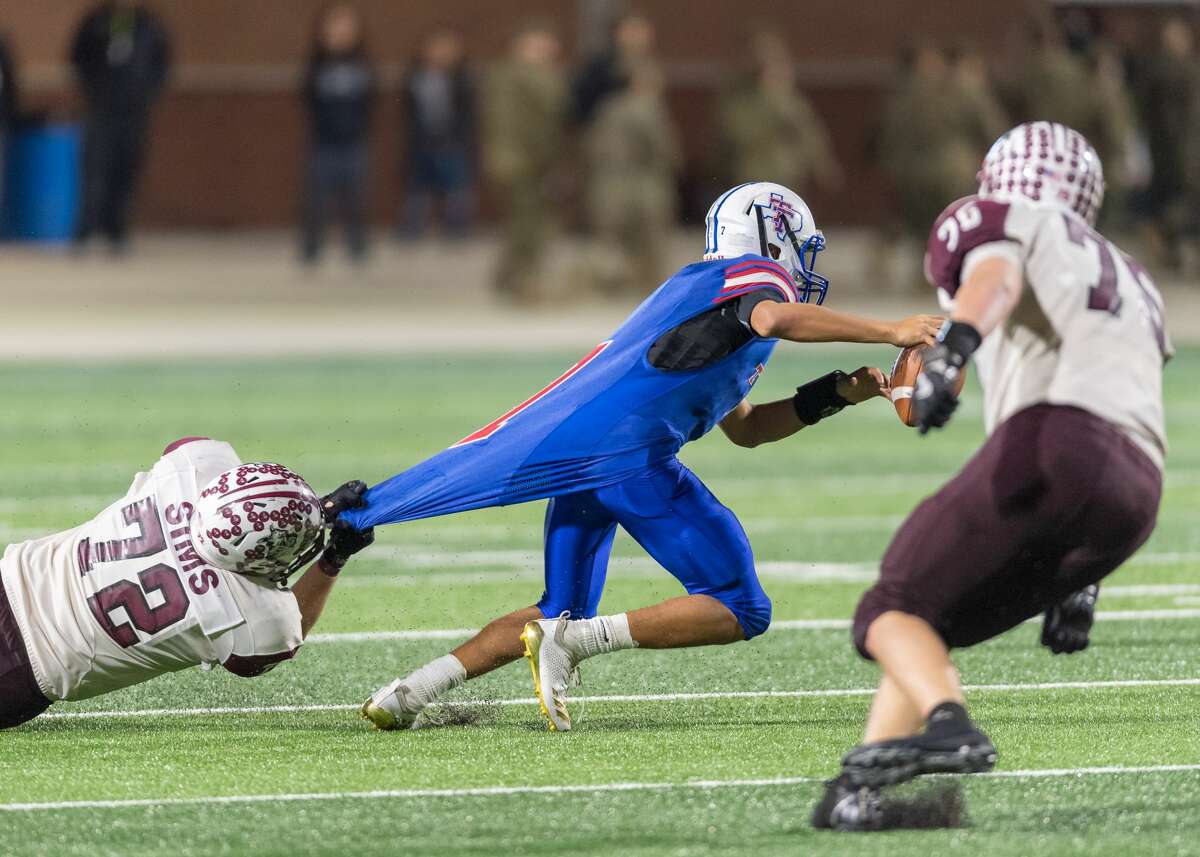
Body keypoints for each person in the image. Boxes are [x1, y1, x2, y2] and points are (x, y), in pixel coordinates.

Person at [348, 182, 942, 732]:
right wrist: (890, 330)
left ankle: (410, 693)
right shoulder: (756, 284)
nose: (805, 265)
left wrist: (840, 392)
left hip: (584, 458)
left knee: (561, 605)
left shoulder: (706, 299)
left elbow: (749, 429)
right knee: (740, 607)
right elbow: (776, 315)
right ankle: (574, 642)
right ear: (773, 235)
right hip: (628, 460)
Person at [812, 122, 1169, 831]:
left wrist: (954, 351)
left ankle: (948, 724)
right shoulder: (1132, 273)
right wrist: (1079, 575)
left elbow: (995, 276)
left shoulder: (1011, 218)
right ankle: (860, 791)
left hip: (1058, 443)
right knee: (927, 620)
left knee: (890, 605)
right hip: (1138, 492)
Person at [0, 437, 374, 728]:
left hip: (10, 579)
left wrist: (308, 509)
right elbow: (265, 655)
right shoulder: (257, 619)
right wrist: (331, 558)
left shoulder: (193, 473)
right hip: (26, 670)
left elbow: (185, 446)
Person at [70, 0, 171, 253]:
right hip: (101, 105)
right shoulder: (96, 22)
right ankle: (88, 227)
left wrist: (146, 93)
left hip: (133, 109)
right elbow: (78, 57)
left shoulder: (149, 25)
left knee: (127, 167)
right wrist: (92, 90)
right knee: (95, 168)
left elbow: (162, 63)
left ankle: (117, 229)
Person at [483, 22, 567, 301]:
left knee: (523, 222)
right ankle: (521, 281)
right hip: (521, 161)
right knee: (528, 224)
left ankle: (508, 278)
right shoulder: (523, 75)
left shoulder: (504, 74)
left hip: (522, 160)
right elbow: (555, 104)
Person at [584, 61, 680, 294]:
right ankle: (649, 285)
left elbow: (591, 145)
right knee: (649, 236)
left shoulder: (608, 108)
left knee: (613, 237)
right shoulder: (647, 108)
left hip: (608, 181)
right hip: (641, 182)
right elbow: (663, 148)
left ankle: (610, 281)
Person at [716, 29, 842, 196]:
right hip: (753, 177)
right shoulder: (738, 99)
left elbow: (807, 131)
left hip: (788, 176)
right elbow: (738, 133)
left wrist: (822, 166)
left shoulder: (789, 97)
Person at [300, 4, 376, 265]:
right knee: (316, 198)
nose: (341, 32)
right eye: (335, 26)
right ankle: (311, 249)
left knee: (356, 196)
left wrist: (361, 128)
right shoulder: (316, 62)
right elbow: (307, 97)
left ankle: (357, 248)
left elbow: (370, 101)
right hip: (323, 141)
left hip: (354, 140)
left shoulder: (362, 62)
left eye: (346, 26)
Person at [399, 27, 476, 239]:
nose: (440, 53)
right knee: (417, 190)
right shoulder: (416, 77)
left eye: (446, 49)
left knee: (457, 190)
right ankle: (412, 231)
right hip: (422, 143)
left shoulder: (461, 79)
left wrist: (461, 139)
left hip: (452, 143)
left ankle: (457, 232)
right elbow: (409, 112)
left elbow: (467, 115)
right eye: (435, 48)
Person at [572, 11, 656, 127]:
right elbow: (584, 101)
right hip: (606, 129)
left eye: (641, 31)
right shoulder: (601, 65)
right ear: (618, 34)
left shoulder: (649, 64)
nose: (636, 37)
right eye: (631, 30)